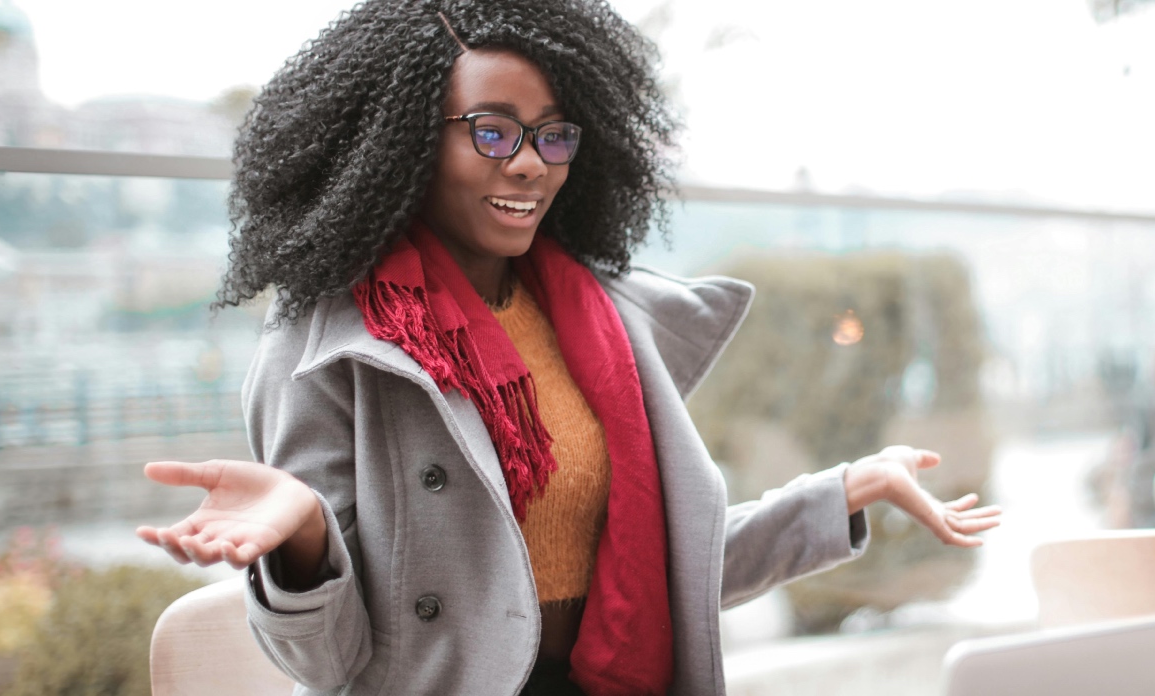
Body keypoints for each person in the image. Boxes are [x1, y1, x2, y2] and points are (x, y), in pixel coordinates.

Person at [134, 1, 1001, 694]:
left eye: (551, 134)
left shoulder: (601, 325)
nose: (531, 165)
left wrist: (847, 489)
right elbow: (329, 663)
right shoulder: (327, 348)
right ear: (399, 142)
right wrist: (303, 540)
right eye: (493, 130)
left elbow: (664, 572)